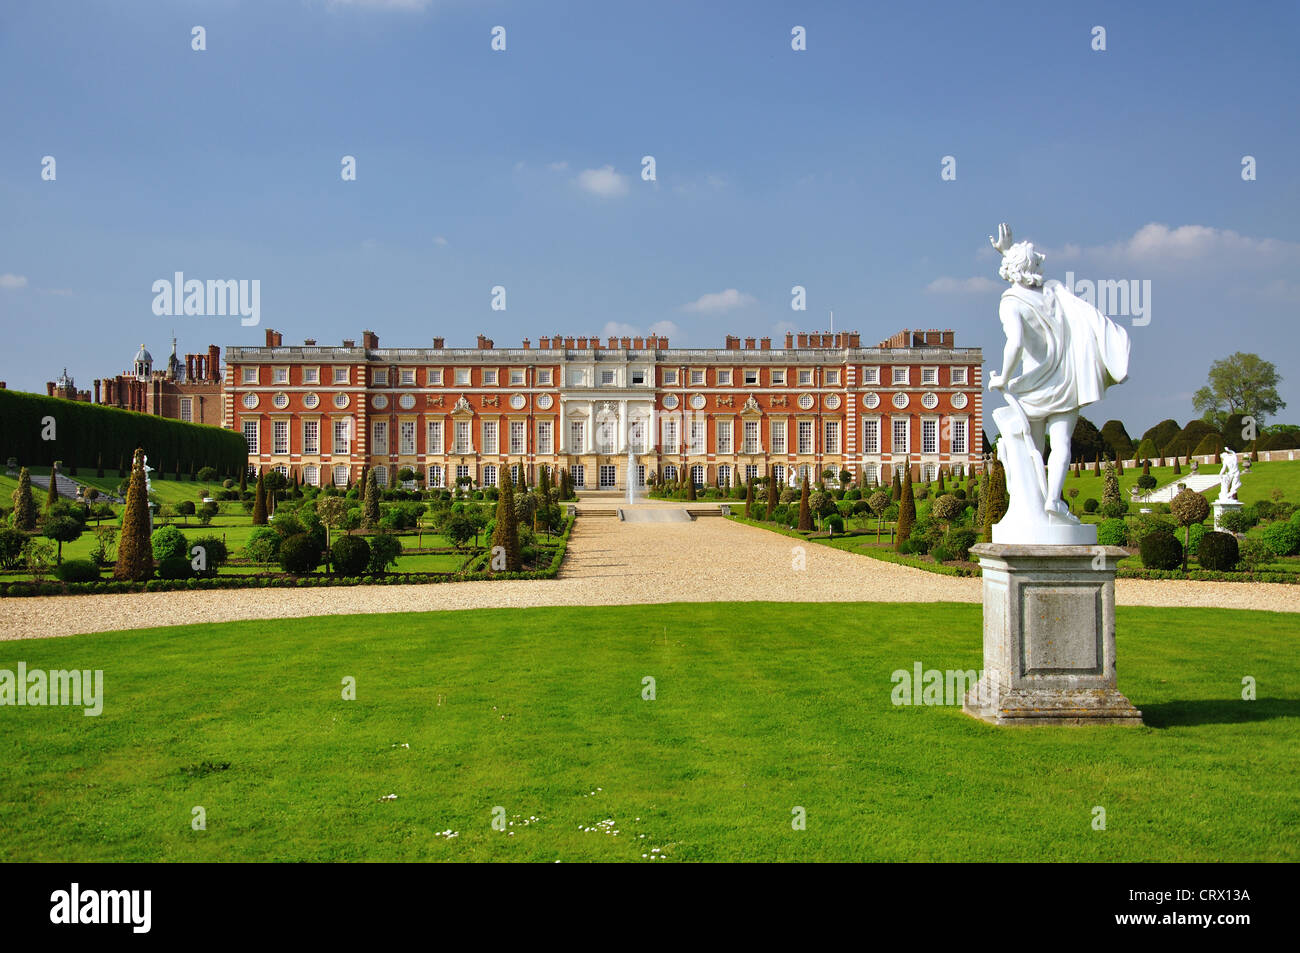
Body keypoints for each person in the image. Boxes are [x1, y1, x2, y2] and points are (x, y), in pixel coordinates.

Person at [987, 223, 1130, 540]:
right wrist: (1009, 253)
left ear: (1010, 270)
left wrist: (1003, 377)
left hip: (1034, 382)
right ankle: (1053, 500)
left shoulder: (1011, 302)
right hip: (1065, 379)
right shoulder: (1053, 291)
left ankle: (1033, 507)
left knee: (1030, 446)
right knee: (1061, 443)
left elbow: (1015, 342)